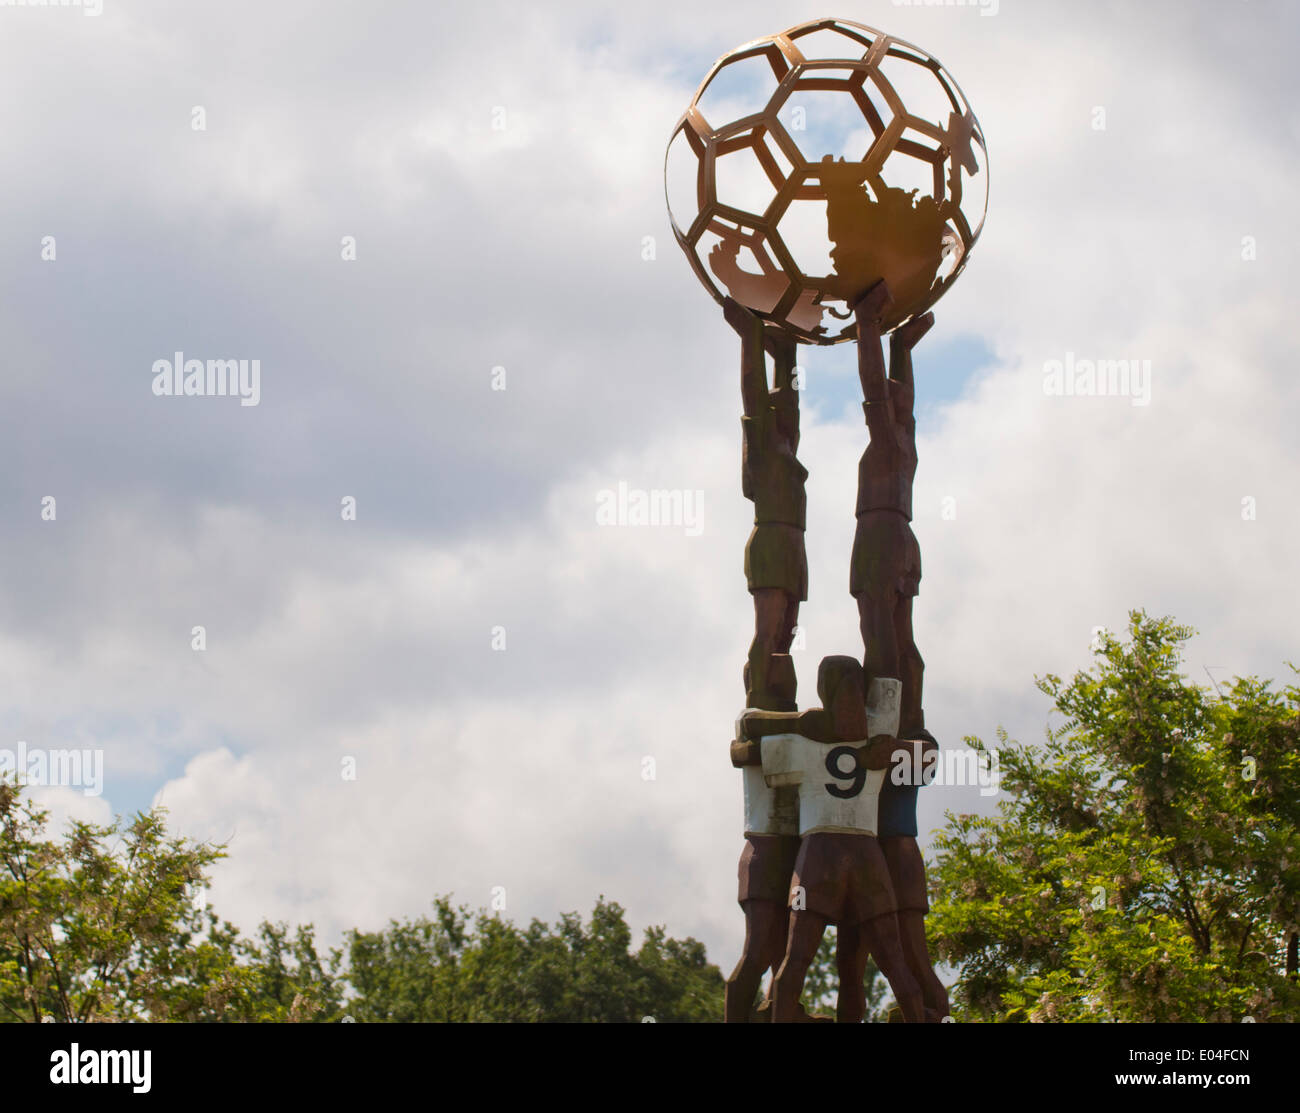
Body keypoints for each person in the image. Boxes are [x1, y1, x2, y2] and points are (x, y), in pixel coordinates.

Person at [735, 656, 925, 1022]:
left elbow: (746, 744)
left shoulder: (802, 743)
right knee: (895, 964)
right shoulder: (880, 740)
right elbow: (919, 749)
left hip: (818, 854)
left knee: (796, 961)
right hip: (868, 856)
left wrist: (798, 722)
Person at [850, 280, 933, 739]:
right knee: (902, 633)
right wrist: (903, 346)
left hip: (880, 538)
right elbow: (902, 398)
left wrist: (867, 325)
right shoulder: (907, 443)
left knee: (878, 626)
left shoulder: (886, 438)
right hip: (905, 540)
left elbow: (873, 384)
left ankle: (883, 715)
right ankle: (911, 717)